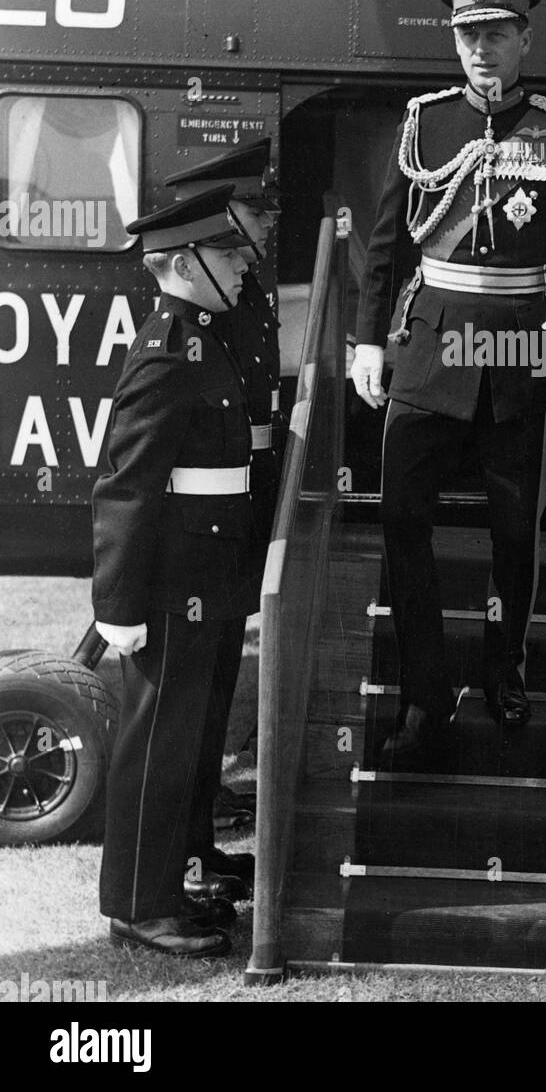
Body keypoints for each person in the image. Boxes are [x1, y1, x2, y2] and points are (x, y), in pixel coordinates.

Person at [351, 0, 546, 765]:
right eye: (468, 36)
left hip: (515, 348)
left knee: (514, 532)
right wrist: (369, 340)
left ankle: (505, 671)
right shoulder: (422, 124)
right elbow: (384, 245)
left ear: (523, 40)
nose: (480, 50)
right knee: (404, 524)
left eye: (495, 35)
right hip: (431, 347)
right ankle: (422, 698)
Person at [93, 187, 263, 957]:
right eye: (226, 253)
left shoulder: (204, 336)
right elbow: (127, 484)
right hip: (173, 582)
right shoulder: (168, 348)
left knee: (194, 737)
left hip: (211, 572)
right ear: (182, 264)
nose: (240, 262)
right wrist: (118, 603)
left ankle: (186, 865)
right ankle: (139, 901)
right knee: (160, 740)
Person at [163, 139, 283, 866]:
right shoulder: (211, 299)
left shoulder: (244, 282)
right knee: (198, 692)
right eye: (254, 209)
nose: (266, 223)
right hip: (217, 502)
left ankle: (201, 825)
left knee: (218, 681)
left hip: (243, 492)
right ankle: (191, 835)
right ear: (221, 216)